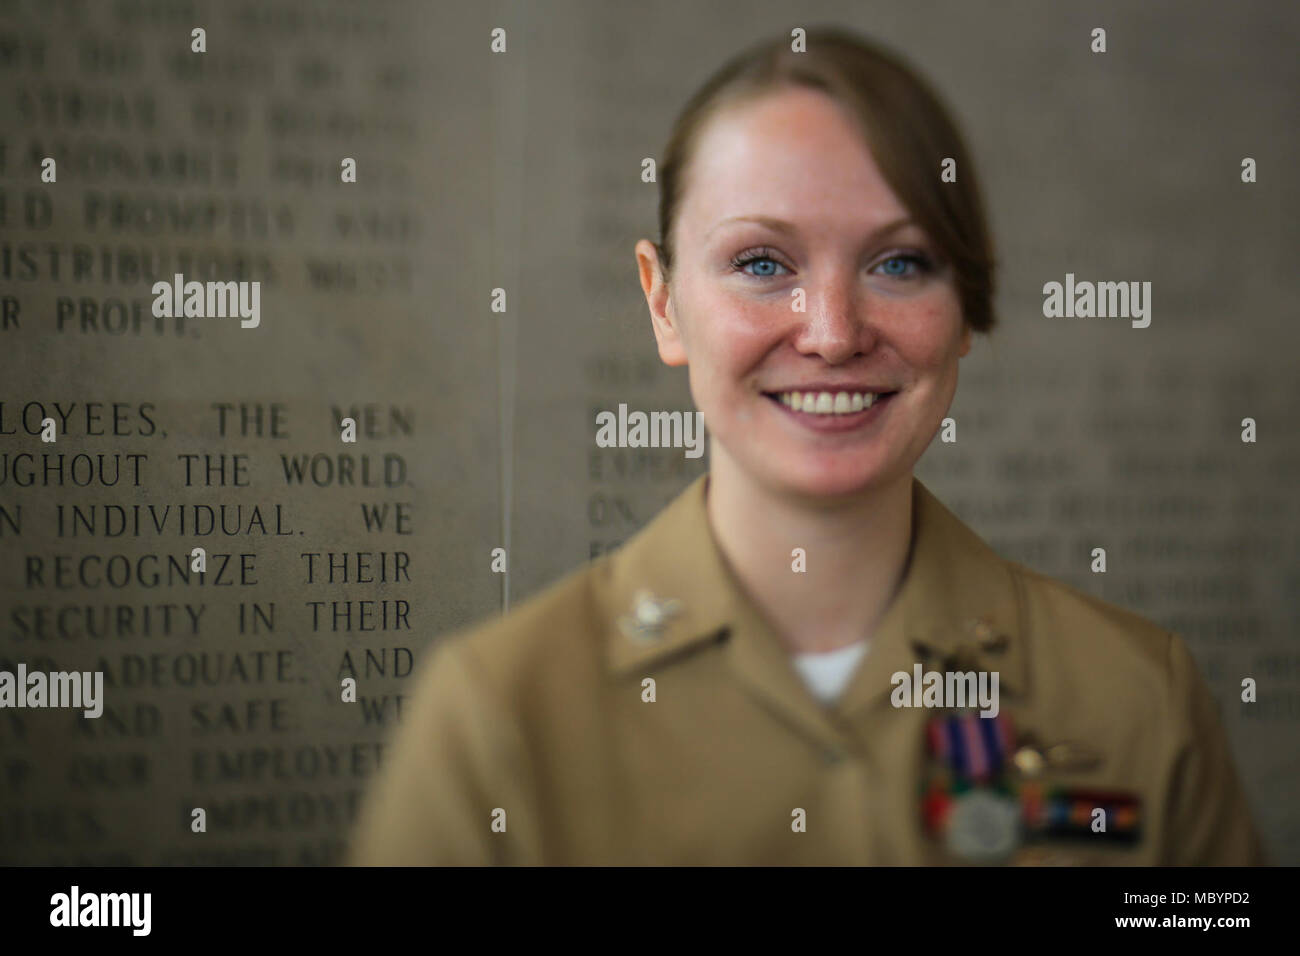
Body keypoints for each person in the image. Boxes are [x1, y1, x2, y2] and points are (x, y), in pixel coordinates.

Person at [348, 28, 1265, 865]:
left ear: (967, 307)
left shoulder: (1143, 697)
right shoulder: (495, 717)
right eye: (761, 263)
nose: (832, 332)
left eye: (899, 263)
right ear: (663, 301)